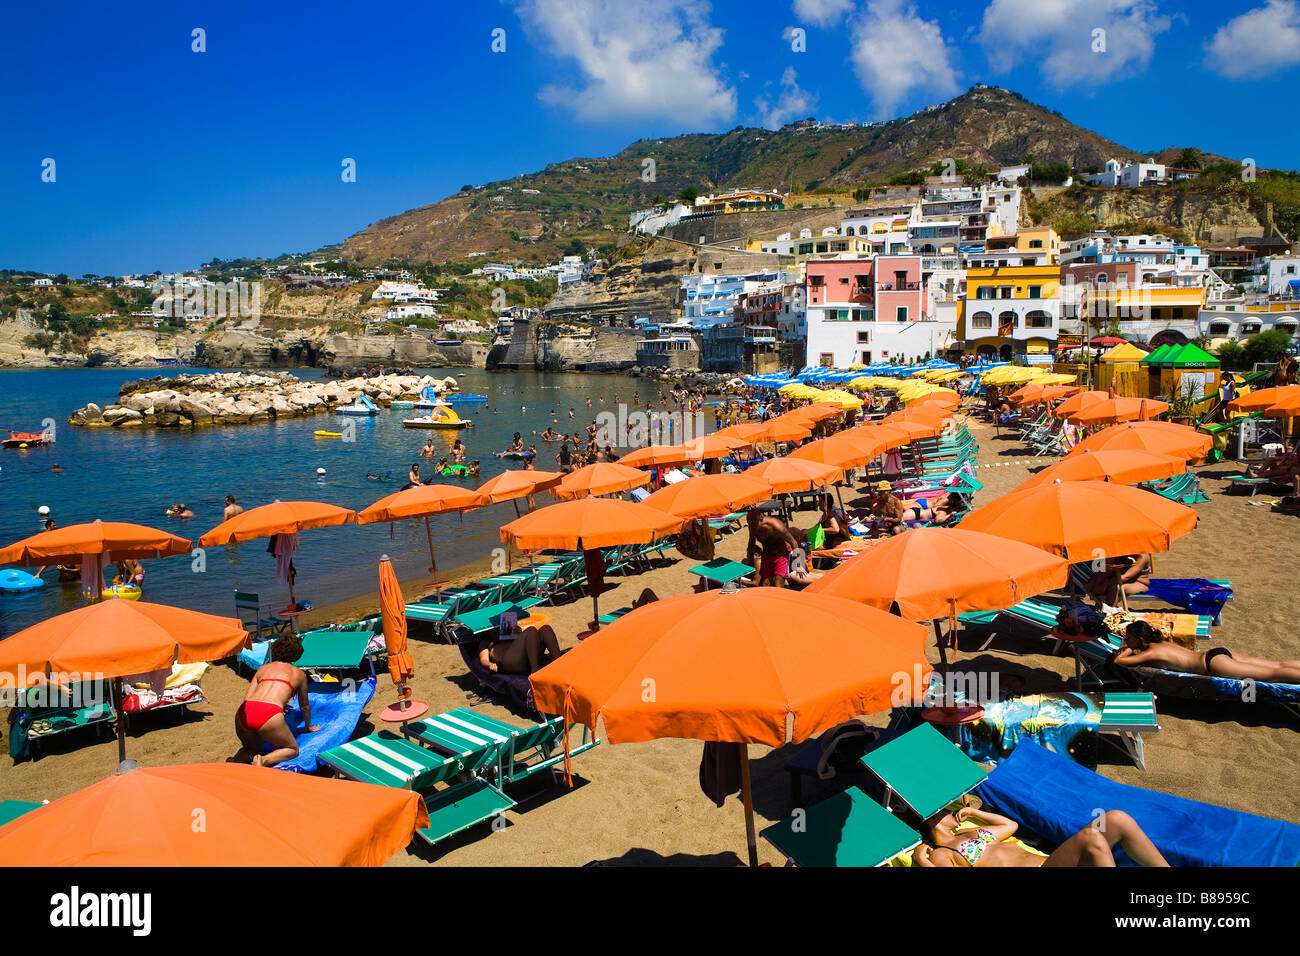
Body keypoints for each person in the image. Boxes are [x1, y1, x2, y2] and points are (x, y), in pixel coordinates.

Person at [913, 805, 1168, 867]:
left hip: (1048, 862)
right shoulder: (942, 852)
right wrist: (921, 859)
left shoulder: (969, 832)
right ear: (931, 820)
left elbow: (1010, 826)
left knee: (1115, 818)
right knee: (1092, 840)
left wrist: (972, 812)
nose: (950, 809)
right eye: (944, 809)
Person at [228, 633, 317, 767]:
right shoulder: (299, 674)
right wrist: (309, 726)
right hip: (269, 713)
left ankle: (236, 761)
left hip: (244, 712)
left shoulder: (263, 669)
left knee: (252, 749)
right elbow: (304, 705)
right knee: (292, 749)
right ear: (297, 653)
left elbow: (247, 698)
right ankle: (263, 760)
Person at [1116, 619, 1300, 684]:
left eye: (1129, 637)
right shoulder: (1161, 643)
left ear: (1140, 639)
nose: (1126, 640)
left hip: (1213, 664)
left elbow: (1120, 662)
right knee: (1277, 665)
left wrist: (1127, 650)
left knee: (1272, 674)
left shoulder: (1150, 653)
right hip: (1217, 653)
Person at [477, 622, 565, 676]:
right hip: (512, 663)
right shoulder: (486, 642)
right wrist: (490, 665)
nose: (497, 629)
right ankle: (535, 670)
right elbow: (483, 659)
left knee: (545, 628)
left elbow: (528, 639)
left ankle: (558, 661)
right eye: (493, 629)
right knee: (531, 630)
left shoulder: (508, 630)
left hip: (528, 656)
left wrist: (516, 631)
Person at [744, 508, 799, 588]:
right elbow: (751, 541)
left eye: (752, 523)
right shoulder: (753, 525)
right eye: (749, 522)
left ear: (760, 520)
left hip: (781, 554)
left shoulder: (776, 525)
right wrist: (750, 559)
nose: (750, 525)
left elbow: (794, 543)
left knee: (778, 584)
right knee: (765, 585)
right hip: (767, 555)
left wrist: (798, 564)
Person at [1084, 553, 1150, 608]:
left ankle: (1111, 613)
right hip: (1121, 581)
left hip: (1139, 583)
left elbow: (1126, 576)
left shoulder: (1143, 557)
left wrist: (1105, 584)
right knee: (1103, 574)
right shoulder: (1125, 553)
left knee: (1115, 587)